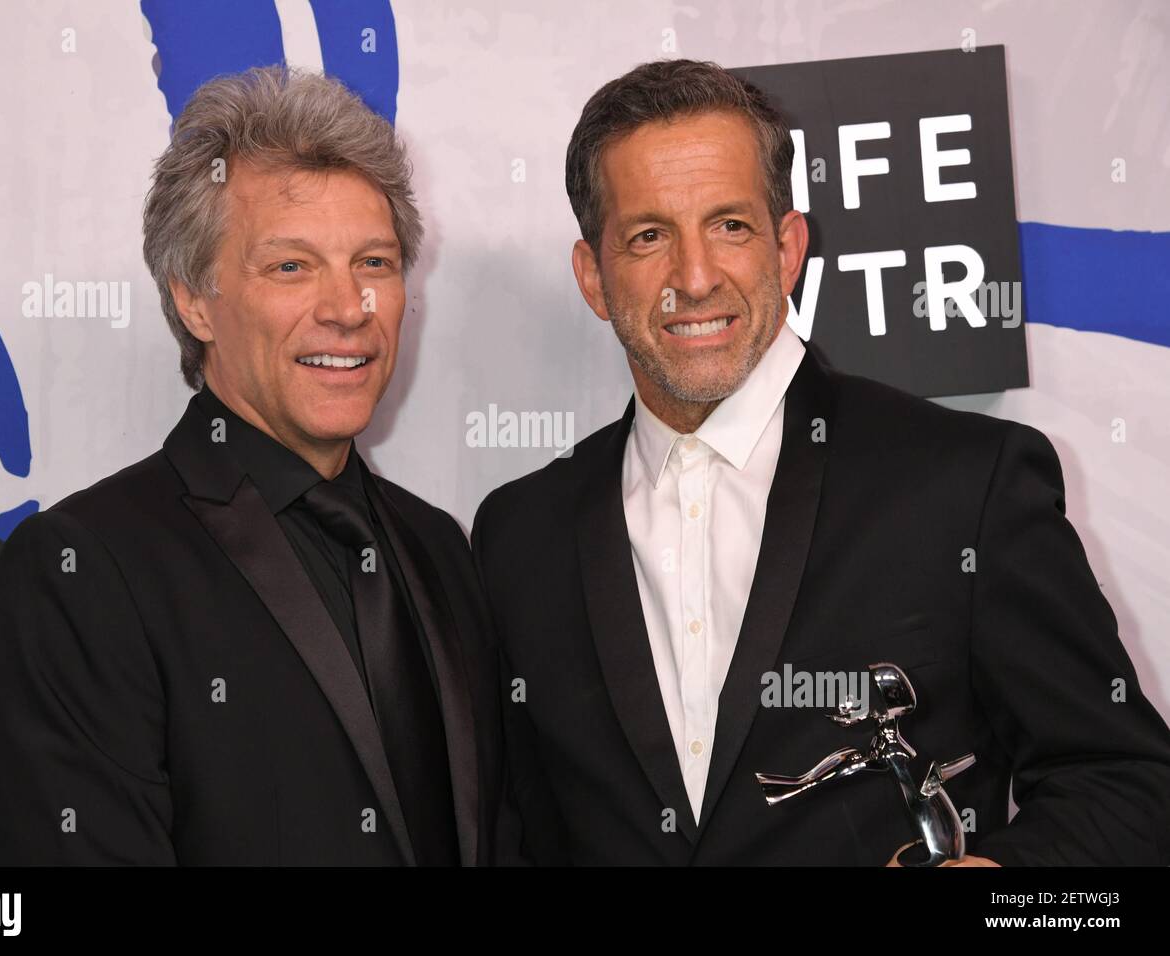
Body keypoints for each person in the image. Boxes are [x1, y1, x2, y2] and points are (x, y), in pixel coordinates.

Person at [472, 58, 1170, 865]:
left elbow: (1127, 784)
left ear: (788, 247)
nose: (694, 279)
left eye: (730, 226)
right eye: (648, 236)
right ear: (593, 275)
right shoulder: (519, 535)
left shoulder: (962, 484)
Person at [0, 65, 508, 865]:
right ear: (194, 299)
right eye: (290, 266)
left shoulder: (440, 546)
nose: (347, 308)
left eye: (374, 263)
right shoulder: (82, 569)